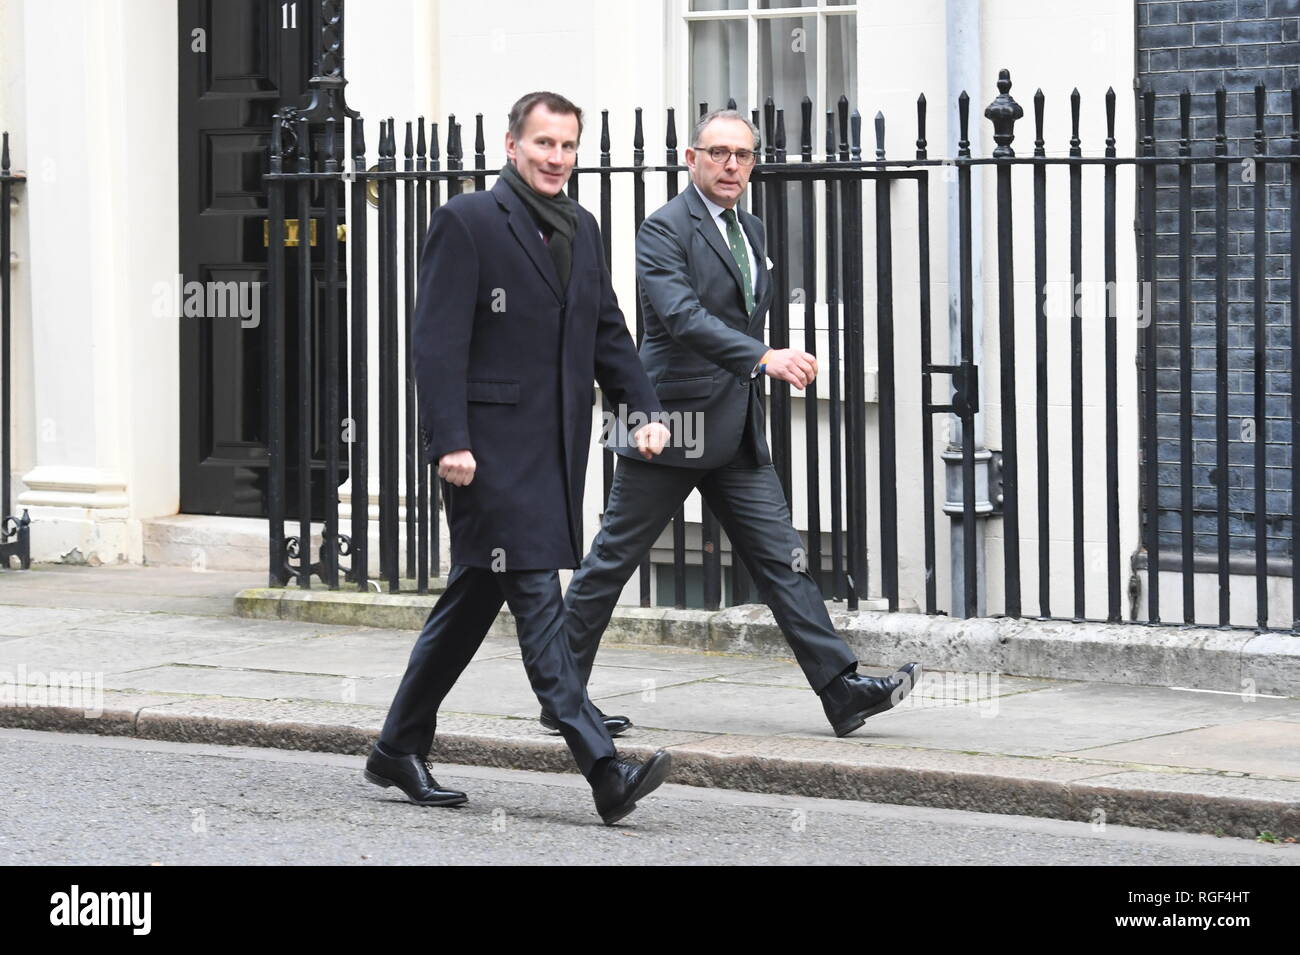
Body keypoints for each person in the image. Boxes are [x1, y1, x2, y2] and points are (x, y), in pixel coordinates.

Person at [543, 109, 921, 739]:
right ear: (691, 159)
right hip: (669, 425)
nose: (732, 165)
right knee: (612, 560)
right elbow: (683, 318)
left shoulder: (752, 229)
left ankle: (842, 690)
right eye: (718, 153)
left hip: (735, 428)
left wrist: (757, 361)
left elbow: (737, 315)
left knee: (783, 559)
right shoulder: (664, 230)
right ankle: (561, 698)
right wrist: (765, 356)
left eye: (743, 155)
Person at [366, 91, 674, 825]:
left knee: (471, 605)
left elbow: (607, 329)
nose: (556, 158)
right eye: (543, 143)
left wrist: (644, 411)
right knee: (539, 600)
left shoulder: (584, 227)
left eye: (567, 146)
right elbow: (435, 343)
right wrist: (450, 442)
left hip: (553, 453)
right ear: (512, 146)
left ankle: (396, 746)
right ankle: (603, 767)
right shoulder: (468, 220)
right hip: (488, 458)